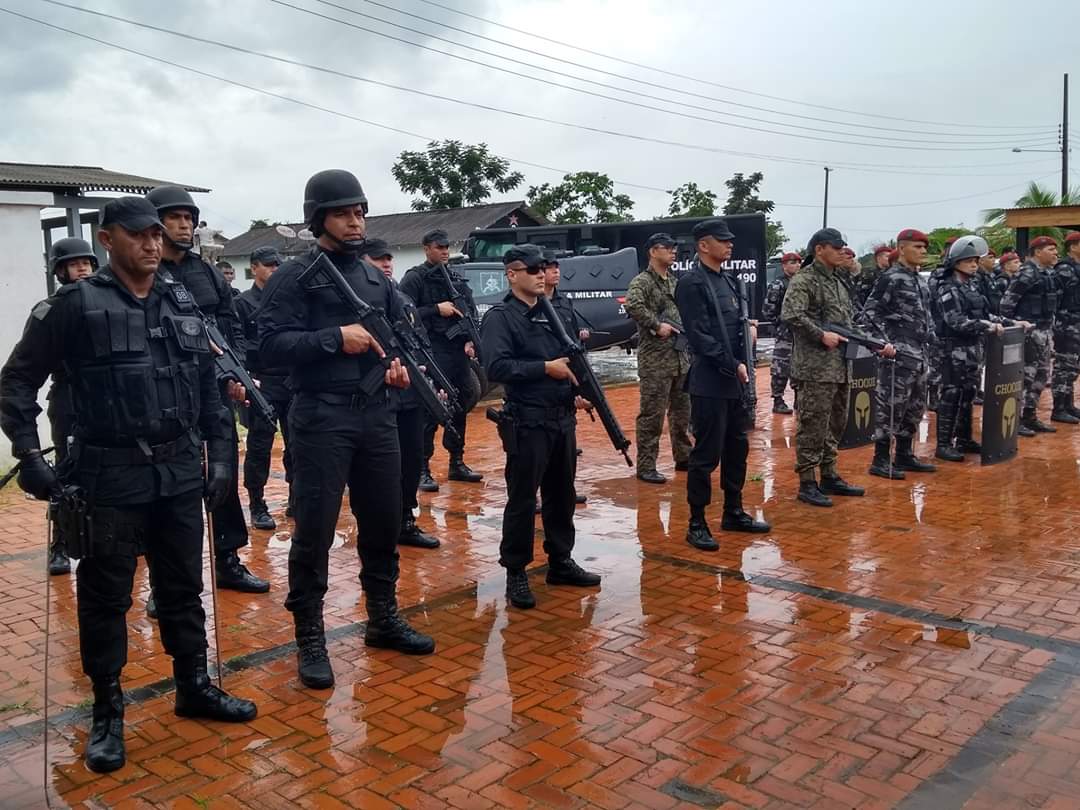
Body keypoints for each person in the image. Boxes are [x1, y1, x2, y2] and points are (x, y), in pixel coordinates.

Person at [0, 197, 257, 773]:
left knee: (183, 588)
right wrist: (31, 461)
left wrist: (221, 462)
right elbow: (15, 385)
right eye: (138, 234)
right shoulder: (72, 306)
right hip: (107, 476)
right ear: (108, 238)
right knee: (105, 598)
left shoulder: (182, 303)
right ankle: (107, 712)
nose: (151, 244)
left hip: (177, 473)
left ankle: (194, 686)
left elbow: (211, 386)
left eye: (155, 235)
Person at [258, 169, 435, 689]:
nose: (355, 221)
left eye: (360, 212)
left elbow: (397, 336)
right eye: (343, 213)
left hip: (377, 414)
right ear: (319, 218)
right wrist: (335, 338)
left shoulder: (376, 277)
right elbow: (268, 348)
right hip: (320, 417)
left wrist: (397, 367)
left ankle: (382, 616)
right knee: (314, 529)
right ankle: (309, 635)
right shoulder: (296, 277)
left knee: (383, 520)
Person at [146, 185, 269, 598]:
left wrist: (233, 372)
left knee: (223, 475)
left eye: (189, 218)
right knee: (162, 489)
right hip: (164, 396)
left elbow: (230, 326)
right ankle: (162, 584)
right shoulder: (144, 273)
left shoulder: (206, 272)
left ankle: (227, 560)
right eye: (174, 217)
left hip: (212, 393)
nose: (184, 225)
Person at [480, 245, 601, 609]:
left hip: (562, 419)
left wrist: (576, 392)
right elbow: (497, 368)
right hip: (527, 421)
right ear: (511, 275)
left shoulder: (555, 311)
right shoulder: (501, 318)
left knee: (562, 495)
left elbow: (569, 362)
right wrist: (543, 368)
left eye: (542, 268)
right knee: (521, 500)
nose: (538, 274)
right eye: (530, 269)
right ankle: (516, 570)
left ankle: (560, 561)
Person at [674, 218, 770, 550]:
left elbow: (734, 328)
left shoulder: (729, 282)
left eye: (730, 241)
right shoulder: (692, 283)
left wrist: (750, 333)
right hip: (711, 381)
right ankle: (696, 522)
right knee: (705, 455)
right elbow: (699, 337)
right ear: (703, 245)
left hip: (736, 382)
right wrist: (733, 365)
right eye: (722, 240)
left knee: (737, 449)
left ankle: (733, 510)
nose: (730, 245)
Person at [782, 228, 894, 507]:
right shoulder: (805, 279)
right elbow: (791, 314)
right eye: (836, 246)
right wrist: (820, 334)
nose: (843, 251)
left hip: (840, 366)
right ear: (819, 249)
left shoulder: (839, 282)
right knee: (812, 425)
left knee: (836, 424)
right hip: (814, 368)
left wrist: (874, 342)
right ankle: (808, 482)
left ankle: (829, 474)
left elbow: (848, 323)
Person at [362, 237, 440, 549]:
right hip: (377, 396)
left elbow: (419, 339)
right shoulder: (357, 299)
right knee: (380, 467)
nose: (386, 263)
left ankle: (406, 520)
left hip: (409, 392)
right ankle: (379, 525)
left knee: (411, 459)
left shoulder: (402, 297)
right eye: (378, 258)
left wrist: (426, 372)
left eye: (388, 258)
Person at [400, 229, 482, 492]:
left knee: (461, 402)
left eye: (447, 247)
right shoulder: (415, 278)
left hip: (457, 352)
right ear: (426, 248)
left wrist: (471, 339)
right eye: (439, 247)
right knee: (431, 408)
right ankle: (422, 468)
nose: (445, 251)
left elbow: (470, 312)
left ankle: (456, 461)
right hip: (431, 353)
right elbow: (403, 314)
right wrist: (437, 309)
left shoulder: (456, 277)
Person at [933, 236, 1024, 460]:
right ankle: (943, 445)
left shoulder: (972, 286)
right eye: (969, 260)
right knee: (951, 395)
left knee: (968, 394)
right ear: (956, 262)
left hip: (972, 350)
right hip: (951, 350)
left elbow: (986, 315)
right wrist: (987, 326)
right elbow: (955, 321)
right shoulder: (948, 288)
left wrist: (1011, 323)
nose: (974, 264)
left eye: (976, 260)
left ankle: (963, 439)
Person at [859, 228, 937, 478]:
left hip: (920, 354)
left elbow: (927, 316)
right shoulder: (891, 278)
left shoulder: (921, 281)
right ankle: (880, 460)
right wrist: (885, 343)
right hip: (898, 356)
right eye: (917, 247)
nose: (923, 251)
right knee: (890, 407)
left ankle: (904, 455)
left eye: (925, 247)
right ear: (902, 248)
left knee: (914, 408)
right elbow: (870, 313)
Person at [43, 238, 98, 575]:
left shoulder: (107, 303)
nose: (83, 269)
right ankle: (60, 545)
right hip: (66, 399)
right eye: (75, 264)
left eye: (87, 263)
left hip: (101, 400)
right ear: (61, 270)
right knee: (65, 474)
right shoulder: (53, 308)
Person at [624, 233, 692, 480]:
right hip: (656, 361)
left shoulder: (675, 281)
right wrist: (655, 325)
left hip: (679, 357)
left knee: (682, 412)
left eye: (675, 247)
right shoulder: (642, 281)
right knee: (652, 415)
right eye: (668, 247)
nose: (673, 251)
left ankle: (683, 456)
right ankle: (646, 466)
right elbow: (632, 304)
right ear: (653, 251)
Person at [235, 246, 292, 531]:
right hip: (262, 381)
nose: (274, 270)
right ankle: (257, 503)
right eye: (269, 265)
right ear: (254, 267)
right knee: (260, 445)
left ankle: (296, 498)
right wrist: (247, 376)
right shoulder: (243, 303)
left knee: (298, 442)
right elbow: (239, 343)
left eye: (277, 265)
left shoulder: (287, 300)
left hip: (291, 380)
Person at [541, 250, 589, 506]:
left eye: (557, 268)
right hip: (541, 380)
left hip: (565, 379)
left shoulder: (564, 302)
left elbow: (572, 344)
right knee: (538, 449)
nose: (555, 272)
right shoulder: (532, 304)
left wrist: (580, 386)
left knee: (566, 445)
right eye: (550, 268)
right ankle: (538, 494)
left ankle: (566, 490)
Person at [1000, 235, 1060, 434]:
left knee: (1041, 376)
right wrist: (1015, 329)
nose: (1055, 253)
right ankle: (1016, 419)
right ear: (1038, 252)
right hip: (1028, 333)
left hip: (1044, 331)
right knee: (1025, 377)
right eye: (1051, 249)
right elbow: (1006, 305)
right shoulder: (1026, 274)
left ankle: (1030, 415)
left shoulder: (1047, 274)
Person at [762, 252, 801, 414]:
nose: (797, 265)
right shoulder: (778, 285)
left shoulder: (800, 284)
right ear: (784, 265)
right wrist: (781, 322)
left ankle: (800, 399)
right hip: (785, 334)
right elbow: (768, 310)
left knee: (800, 366)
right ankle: (778, 400)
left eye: (799, 262)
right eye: (793, 262)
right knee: (781, 368)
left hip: (800, 335)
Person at [1050, 232, 1080, 423]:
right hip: (1066, 324)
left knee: (1073, 367)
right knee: (1063, 366)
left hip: (1076, 323)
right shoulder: (1064, 269)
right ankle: (1058, 408)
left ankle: (1068, 405)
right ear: (1073, 246)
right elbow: (1056, 299)